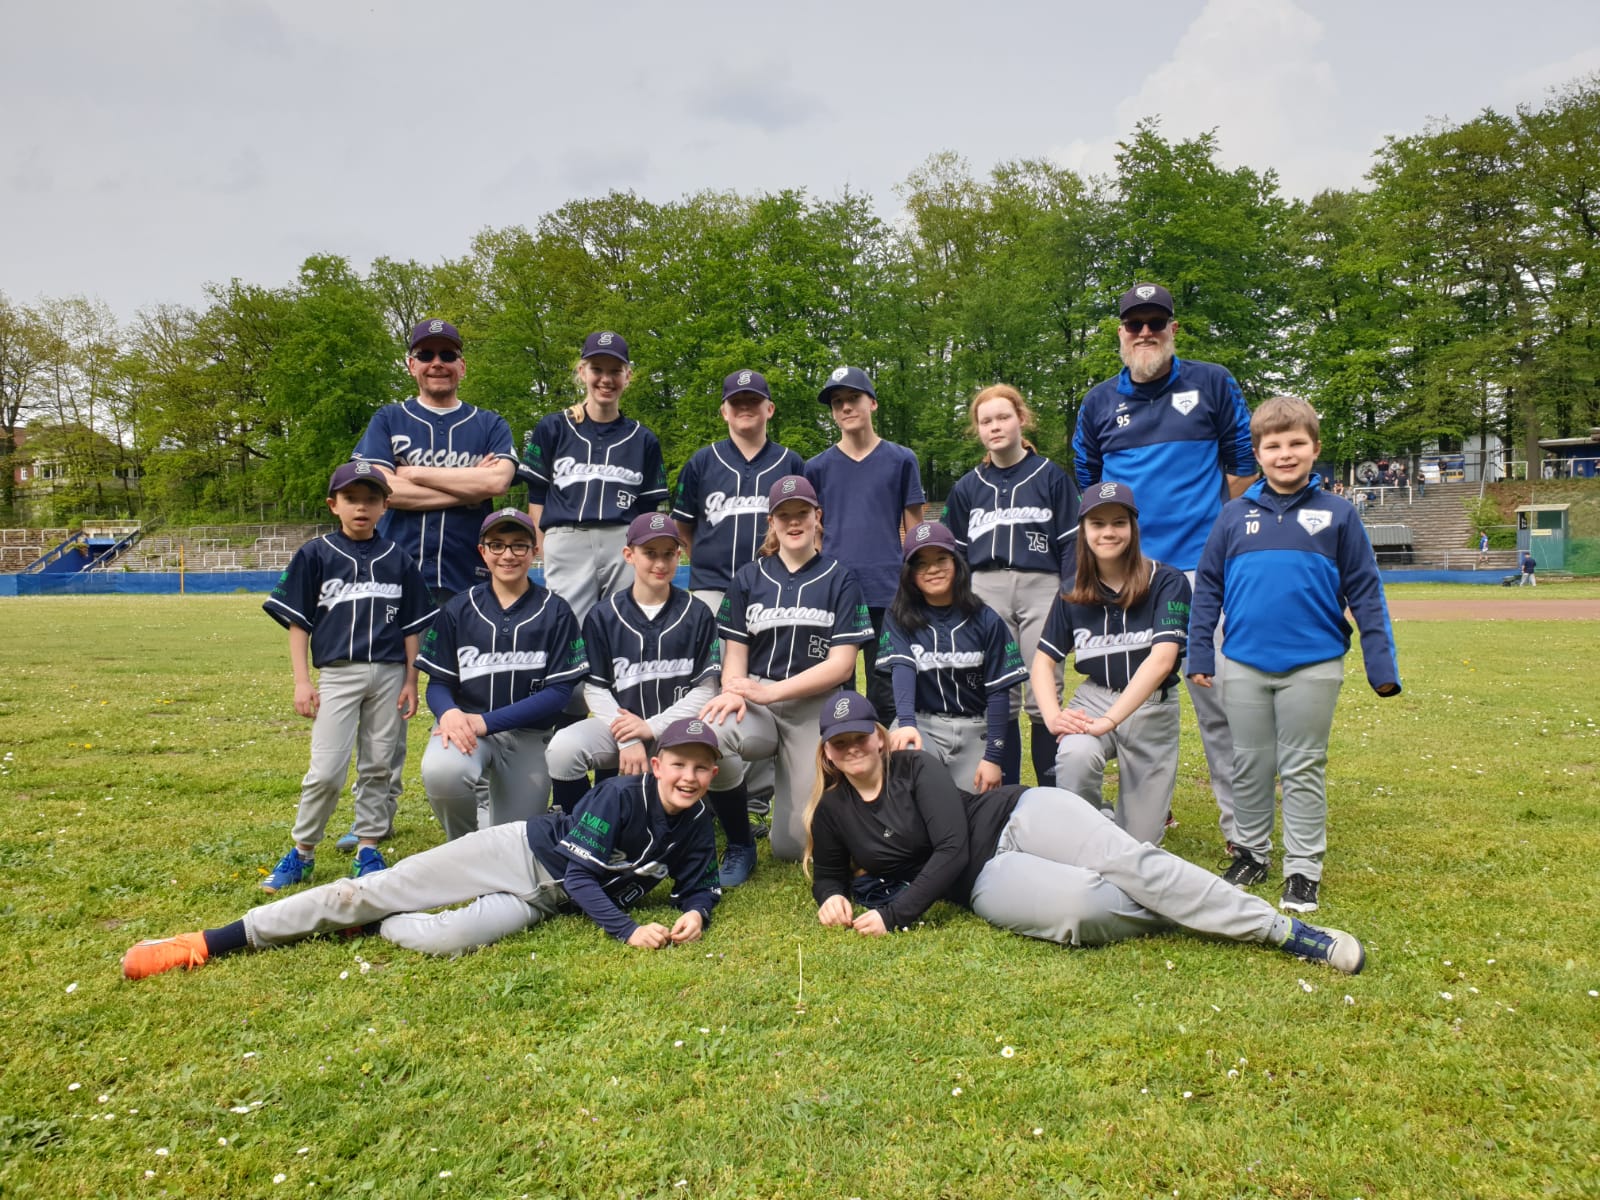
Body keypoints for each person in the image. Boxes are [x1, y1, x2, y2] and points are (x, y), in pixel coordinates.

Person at [801, 692, 1365, 974]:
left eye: (860, 736)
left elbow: (950, 847)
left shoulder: (915, 765)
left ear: (878, 737)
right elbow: (828, 873)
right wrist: (830, 899)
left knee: (1130, 861)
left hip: (1015, 816)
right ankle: (1183, 904)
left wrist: (897, 915)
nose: (852, 748)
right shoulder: (832, 812)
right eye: (839, 741)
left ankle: (1278, 930)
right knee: (1083, 909)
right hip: (982, 882)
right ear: (827, 750)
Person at [119, 718, 725, 979]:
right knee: (372, 888)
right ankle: (208, 942)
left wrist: (695, 912)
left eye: (702, 768)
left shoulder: (696, 819)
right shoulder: (621, 794)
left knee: (441, 938)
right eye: (678, 764)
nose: (688, 778)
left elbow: (699, 882)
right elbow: (585, 879)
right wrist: (627, 930)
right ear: (657, 762)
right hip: (517, 854)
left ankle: (373, 924)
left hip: (545, 902)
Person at [1188, 396, 1401, 914]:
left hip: (1314, 663)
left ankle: (1303, 870)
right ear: (1257, 454)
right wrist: (1198, 653)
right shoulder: (1233, 516)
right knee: (1250, 763)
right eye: (1273, 445)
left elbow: (1365, 591)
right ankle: (1251, 854)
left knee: (1303, 767)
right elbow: (1208, 588)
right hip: (1241, 661)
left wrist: (1381, 665)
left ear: (1315, 449)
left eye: (1296, 444)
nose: (1285, 454)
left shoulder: (1339, 514)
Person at [1072, 283, 1257, 855]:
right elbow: (1088, 480)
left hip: (1203, 574)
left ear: (1174, 328)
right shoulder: (1099, 402)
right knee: (1128, 691)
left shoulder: (1212, 382)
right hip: (1128, 580)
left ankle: (1240, 830)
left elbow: (1244, 465)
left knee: (1218, 699)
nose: (1145, 332)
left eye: (1157, 322)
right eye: (1135, 324)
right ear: (1120, 334)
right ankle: (1149, 802)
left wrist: (1210, 528)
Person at [348, 319, 518, 851]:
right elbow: (382, 492)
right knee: (385, 697)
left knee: (477, 686)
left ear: (463, 365)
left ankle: (489, 796)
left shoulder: (487, 423)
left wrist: (414, 474)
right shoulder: (389, 418)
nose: (438, 363)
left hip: (468, 576)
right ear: (412, 364)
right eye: (427, 354)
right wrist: (460, 489)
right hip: (396, 576)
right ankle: (373, 814)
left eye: (448, 354)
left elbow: (495, 483)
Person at [545, 513, 765, 886]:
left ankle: (741, 844)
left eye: (669, 553)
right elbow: (594, 687)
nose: (661, 563)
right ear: (629, 554)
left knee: (720, 754)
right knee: (563, 748)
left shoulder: (697, 612)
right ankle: (578, 839)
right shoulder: (603, 615)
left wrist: (650, 728)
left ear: (681, 555)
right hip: (620, 731)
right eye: (650, 553)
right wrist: (629, 736)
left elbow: (706, 689)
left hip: (677, 730)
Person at [257, 461, 436, 892]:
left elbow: (414, 625)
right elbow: (299, 622)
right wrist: (302, 681)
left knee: (378, 764)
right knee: (326, 770)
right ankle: (302, 851)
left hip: (391, 673)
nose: (361, 507)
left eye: (371, 499)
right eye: (351, 498)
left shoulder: (398, 558)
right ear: (333, 504)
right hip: (338, 673)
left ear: (385, 505)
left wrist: (412, 680)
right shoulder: (315, 554)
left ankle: (368, 847)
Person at [700, 475, 873, 861]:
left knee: (793, 846)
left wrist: (772, 692)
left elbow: (842, 665)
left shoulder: (840, 578)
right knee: (713, 732)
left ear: (817, 516)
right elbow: (735, 656)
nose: (793, 522)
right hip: (757, 702)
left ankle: (801, 799)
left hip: (813, 704)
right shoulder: (748, 576)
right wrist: (733, 689)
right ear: (772, 522)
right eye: (784, 515)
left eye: (802, 513)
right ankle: (738, 834)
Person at [671, 368, 804, 829]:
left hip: (773, 588)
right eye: (736, 401)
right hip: (711, 584)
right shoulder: (702, 462)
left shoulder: (791, 462)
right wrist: (703, 564)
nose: (745, 407)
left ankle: (758, 795)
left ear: (769, 409)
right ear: (724, 410)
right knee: (711, 686)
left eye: (754, 400)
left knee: (762, 684)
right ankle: (709, 782)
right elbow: (685, 527)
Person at [1030, 483, 1191, 846]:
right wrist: (1053, 716)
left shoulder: (1167, 581)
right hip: (1093, 697)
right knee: (1074, 754)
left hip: (1150, 705)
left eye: (1119, 522)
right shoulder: (1073, 590)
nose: (1108, 532)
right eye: (1097, 524)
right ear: (1083, 531)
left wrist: (1111, 720)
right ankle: (1088, 829)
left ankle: (1122, 827)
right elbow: (1043, 662)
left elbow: (1163, 660)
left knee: (1139, 845)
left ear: (1133, 527)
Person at [415, 510, 588, 840]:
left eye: (519, 546)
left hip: (527, 736)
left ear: (535, 551)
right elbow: (439, 682)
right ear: (482, 551)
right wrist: (449, 712)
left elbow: (559, 694)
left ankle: (491, 833)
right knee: (443, 772)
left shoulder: (556, 610)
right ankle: (462, 846)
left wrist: (485, 722)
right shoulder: (459, 608)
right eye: (497, 545)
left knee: (515, 839)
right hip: (465, 729)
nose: (507, 554)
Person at [941, 384, 1078, 786]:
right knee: (1002, 690)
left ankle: (1052, 793)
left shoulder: (1051, 475)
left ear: (1021, 418)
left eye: (1003, 417)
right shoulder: (968, 486)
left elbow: (1071, 542)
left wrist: (1068, 594)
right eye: (986, 421)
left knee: (1043, 693)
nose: (995, 426)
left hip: (1041, 584)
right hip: (985, 588)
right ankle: (1012, 792)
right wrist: (959, 603)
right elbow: (956, 553)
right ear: (977, 430)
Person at [519, 331, 669, 624]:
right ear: (582, 371)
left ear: (628, 376)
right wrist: (540, 549)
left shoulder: (643, 438)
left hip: (623, 540)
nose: (606, 379)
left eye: (615, 371)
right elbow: (537, 497)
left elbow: (648, 511)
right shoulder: (554, 427)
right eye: (597, 369)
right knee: (568, 628)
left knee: (624, 625)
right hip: (566, 538)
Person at [803, 366, 925, 723]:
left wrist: (916, 585)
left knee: (885, 688)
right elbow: (816, 533)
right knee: (837, 690)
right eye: (837, 402)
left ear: (872, 403)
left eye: (853, 398)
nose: (845, 407)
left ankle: (885, 767)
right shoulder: (817, 467)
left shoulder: (902, 459)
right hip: (835, 592)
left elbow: (915, 529)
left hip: (888, 591)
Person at [878, 521, 1025, 794]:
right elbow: (903, 669)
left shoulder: (986, 619)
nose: (933, 569)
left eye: (941, 559)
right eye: (921, 563)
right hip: (924, 725)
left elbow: (998, 692)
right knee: (905, 755)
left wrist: (993, 757)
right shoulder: (898, 617)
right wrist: (907, 724)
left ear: (957, 563)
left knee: (979, 818)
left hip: (975, 728)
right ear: (909, 574)